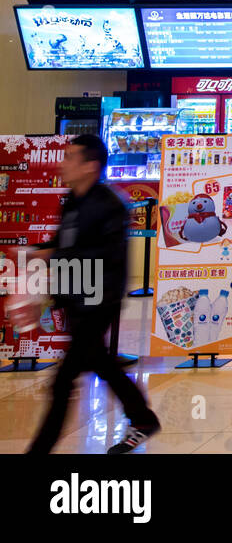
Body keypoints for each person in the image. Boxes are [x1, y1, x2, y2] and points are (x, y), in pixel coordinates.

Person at [29, 134, 161, 454]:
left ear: (90, 166)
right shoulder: (72, 200)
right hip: (76, 293)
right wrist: (35, 253)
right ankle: (143, 419)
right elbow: (61, 243)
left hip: (99, 298)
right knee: (101, 362)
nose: (63, 163)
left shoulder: (111, 204)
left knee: (63, 381)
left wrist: (53, 257)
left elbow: (104, 256)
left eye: (71, 157)